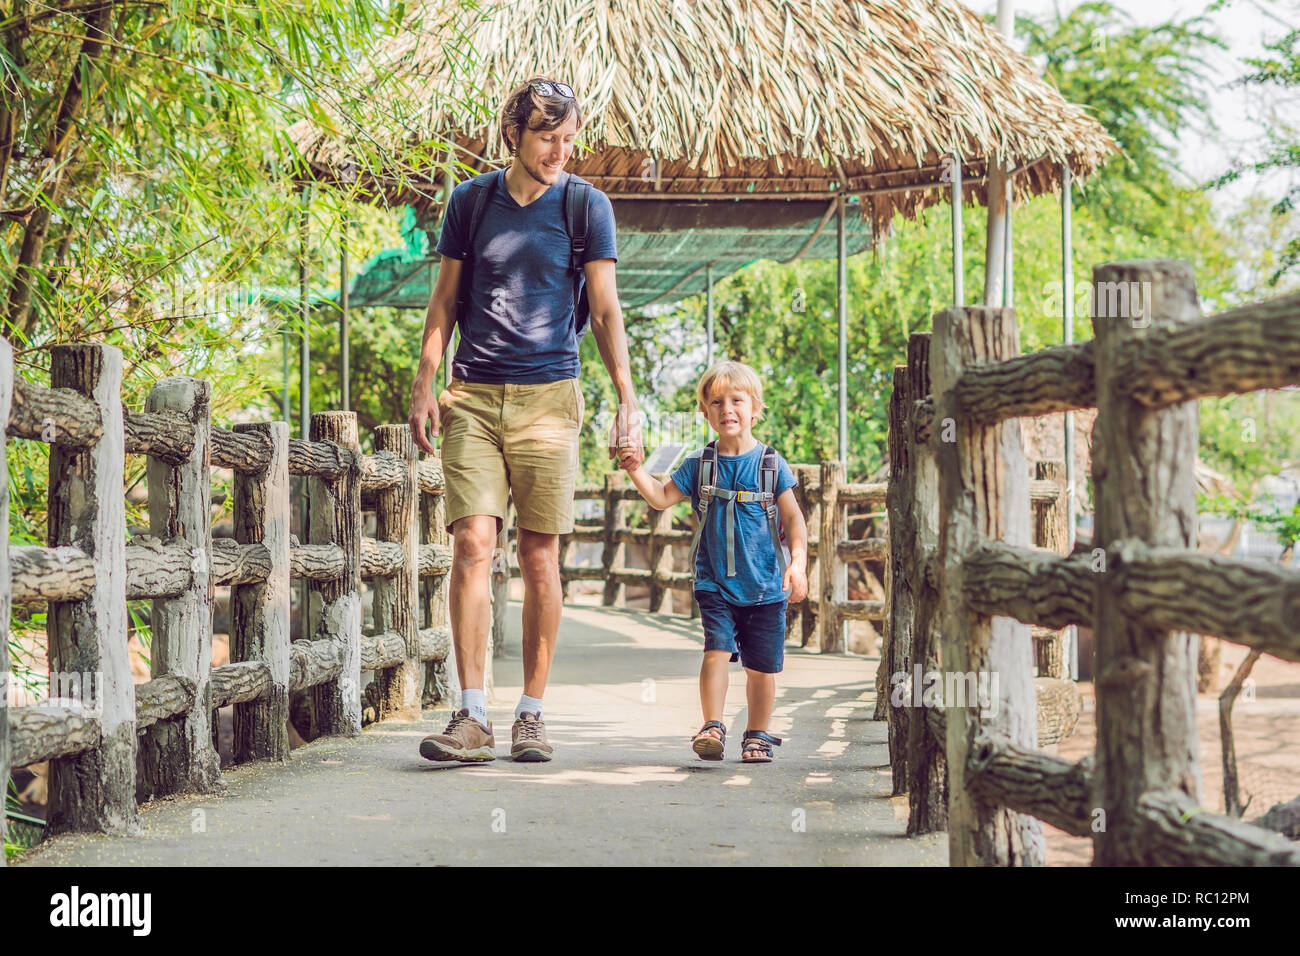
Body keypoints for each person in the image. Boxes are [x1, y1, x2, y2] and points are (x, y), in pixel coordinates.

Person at [408, 76, 644, 762]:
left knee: (540, 554)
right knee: (473, 544)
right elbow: (444, 303)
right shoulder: (471, 202)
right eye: (547, 137)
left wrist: (627, 397)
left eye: (569, 139)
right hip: (473, 396)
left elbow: (604, 311)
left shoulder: (584, 206)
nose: (559, 151)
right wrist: (425, 383)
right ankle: (473, 714)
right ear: (513, 134)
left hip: (550, 398)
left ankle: (532, 712)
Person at [619, 361, 808, 762]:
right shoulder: (700, 464)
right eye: (716, 402)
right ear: (704, 412)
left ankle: (756, 733)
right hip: (714, 582)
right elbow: (660, 496)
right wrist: (636, 469)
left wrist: (798, 563)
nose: (727, 409)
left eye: (737, 401)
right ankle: (713, 726)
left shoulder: (771, 465)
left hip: (766, 585)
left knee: (761, 669)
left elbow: (793, 518)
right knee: (716, 650)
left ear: (754, 408)